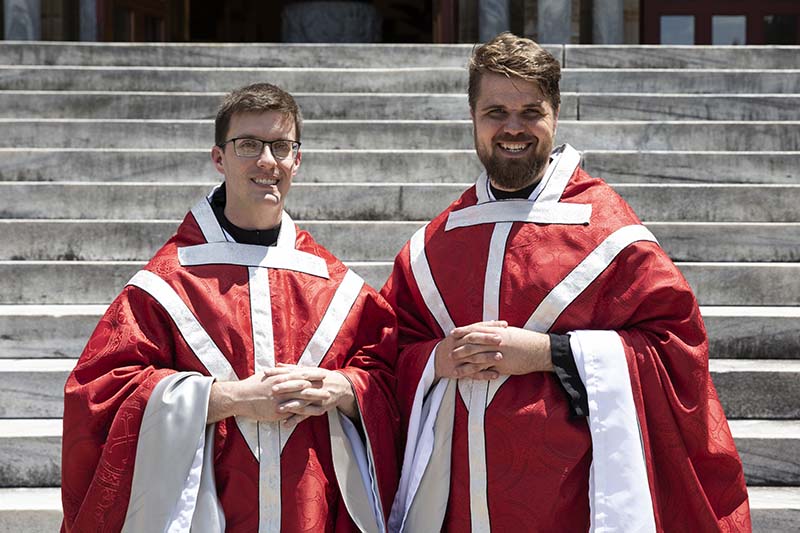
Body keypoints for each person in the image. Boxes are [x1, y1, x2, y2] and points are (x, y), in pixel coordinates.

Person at [382, 33, 750, 532]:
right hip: (458, 506)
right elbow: (386, 355)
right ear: (472, 116)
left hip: (572, 502)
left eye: (531, 111)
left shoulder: (608, 230)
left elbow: (675, 349)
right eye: (495, 112)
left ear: (555, 112)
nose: (513, 129)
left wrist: (545, 353)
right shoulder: (435, 244)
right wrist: (437, 360)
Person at [61, 82, 399, 533]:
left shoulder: (337, 287)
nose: (267, 161)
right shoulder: (165, 284)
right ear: (219, 158)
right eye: (248, 145)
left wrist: (341, 389)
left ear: (297, 160)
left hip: (310, 511)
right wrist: (230, 398)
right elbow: (100, 396)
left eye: (281, 146)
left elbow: (389, 379)